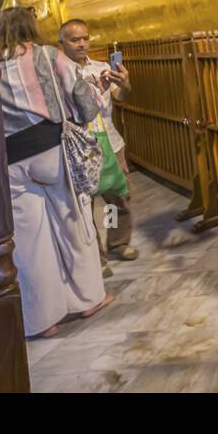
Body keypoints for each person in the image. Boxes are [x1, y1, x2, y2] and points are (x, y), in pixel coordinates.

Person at [0, 7, 112, 338]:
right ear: (30, 26)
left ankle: (42, 320)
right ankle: (88, 299)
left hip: (8, 161)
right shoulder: (47, 55)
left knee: (29, 243)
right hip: (50, 150)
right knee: (73, 222)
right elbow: (84, 100)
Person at [58, 19, 138, 269]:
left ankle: (118, 243)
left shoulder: (102, 67)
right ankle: (98, 258)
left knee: (118, 198)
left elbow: (120, 97)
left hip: (111, 142)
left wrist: (125, 84)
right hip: (81, 148)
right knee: (86, 205)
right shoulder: (58, 74)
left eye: (85, 38)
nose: (82, 44)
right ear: (61, 43)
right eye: (74, 39)